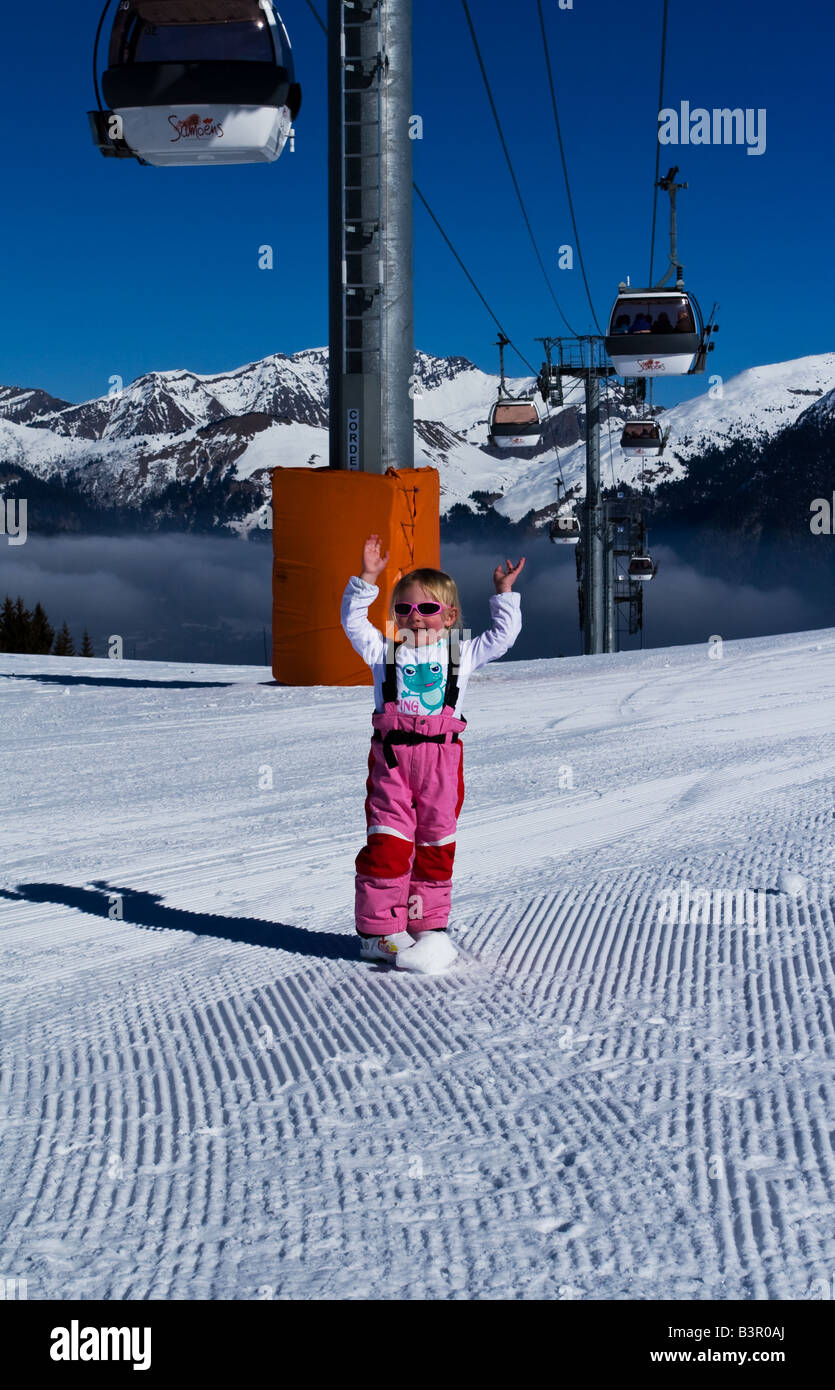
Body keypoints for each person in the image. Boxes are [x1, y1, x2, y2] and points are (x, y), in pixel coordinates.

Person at [340, 535, 524, 976]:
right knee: (389, 842)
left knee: (436, 843)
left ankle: (427, 924)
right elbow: (352, 621)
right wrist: (368, 578)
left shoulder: (462, 652)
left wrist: (504, 595)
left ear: (450, 617)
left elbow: (503, 637)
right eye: (403, 610)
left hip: (442, 763)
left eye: (428, 610)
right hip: (392, 763)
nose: (415, 619)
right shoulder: (383, 653)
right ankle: (379, 932)